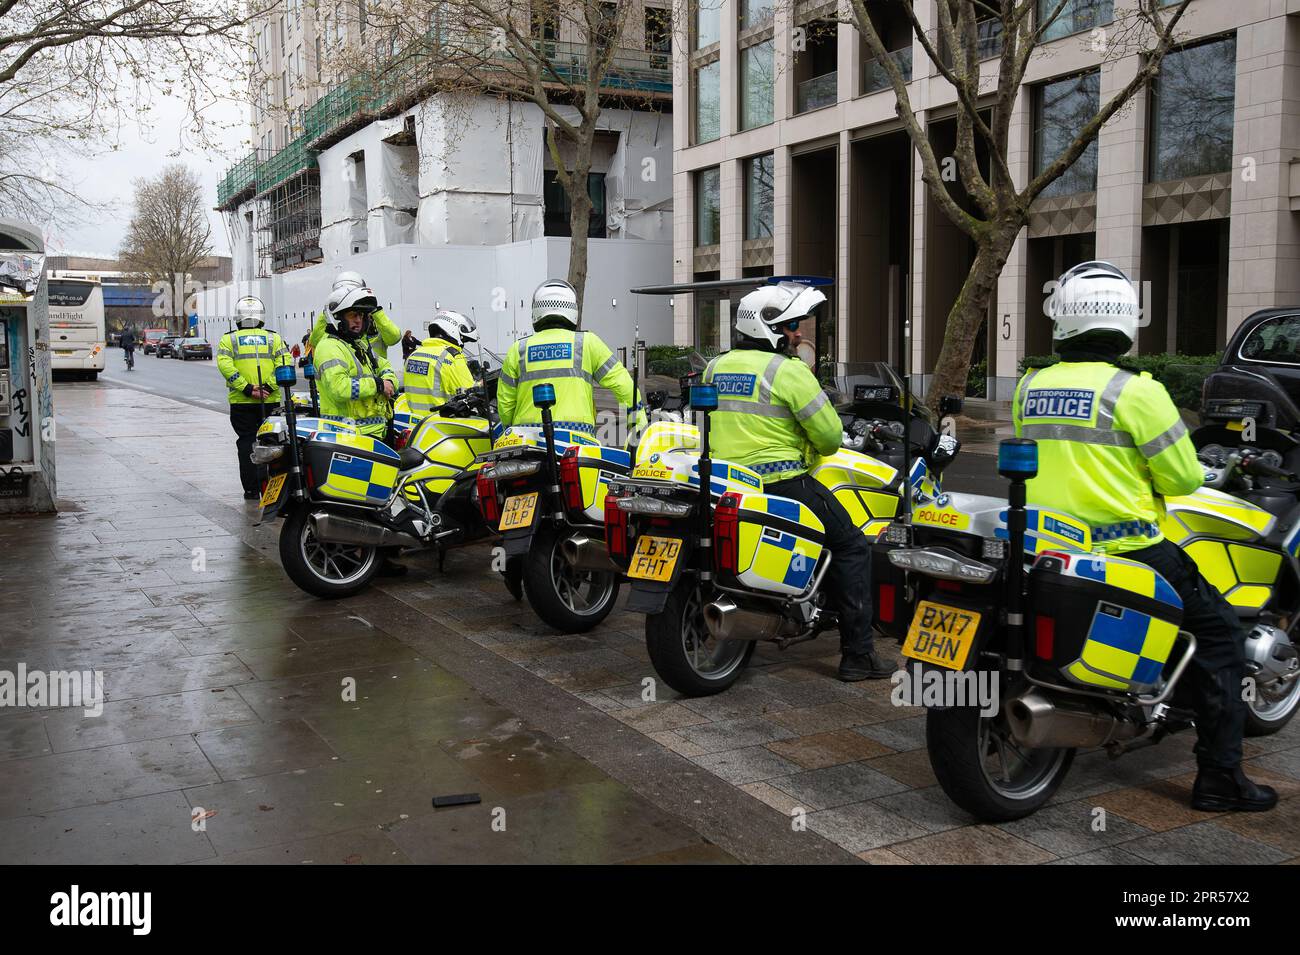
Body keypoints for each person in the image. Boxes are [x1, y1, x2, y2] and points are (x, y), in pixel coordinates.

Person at [1013, 260, 1276, 813]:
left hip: (1044, 545)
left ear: (1062, 321)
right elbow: (1181, 478)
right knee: (1223, 637)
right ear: (1126, 325)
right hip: (1128, 547)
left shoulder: (1030, 386)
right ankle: (1220, 778)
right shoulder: (1136, 391)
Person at [702, 281, 889, 682]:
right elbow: (829, 437)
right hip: (782, 483)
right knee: (852, 545)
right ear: (768, 329)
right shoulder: (787, 371)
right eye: (791, 326)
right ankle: (858, 655)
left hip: (726, 484)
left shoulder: (714, 367)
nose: (798, 333)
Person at [497, 279, 646, 440]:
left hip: (526, 440)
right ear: (572, 310)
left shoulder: (518, 349)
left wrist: (509, 430)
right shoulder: (587, 343)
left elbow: (505, 403)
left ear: (536, 310)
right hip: (577, 441)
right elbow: (624, 385)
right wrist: (639, 425)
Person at [215, 296, 292, 500]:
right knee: (273, 444)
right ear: (261, 316)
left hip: (242, 402)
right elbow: (285, 362)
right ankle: (273, 488)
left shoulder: (228, 339)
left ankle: (251, 490)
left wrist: (248, 389)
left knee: (247, 443)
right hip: (270, 401)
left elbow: (225, 365)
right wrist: (267, 387)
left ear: (238, 317)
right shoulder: (273, 338)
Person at [309, 270, 401, 360]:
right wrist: (328, 311)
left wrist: (376, 313)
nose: (358, 319)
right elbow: (314, 341)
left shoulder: (374, 318)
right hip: (351, 368)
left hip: (377, 369)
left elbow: (394, 338)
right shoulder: (336, 320)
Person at [404, 309, 479, 417]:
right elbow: (470, 393)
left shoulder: (414, 355)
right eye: (463, 339)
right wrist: (480, 385)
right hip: (443, 425)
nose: (462, 343)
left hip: (417, 424)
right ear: (453, 331)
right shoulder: (452, 357)